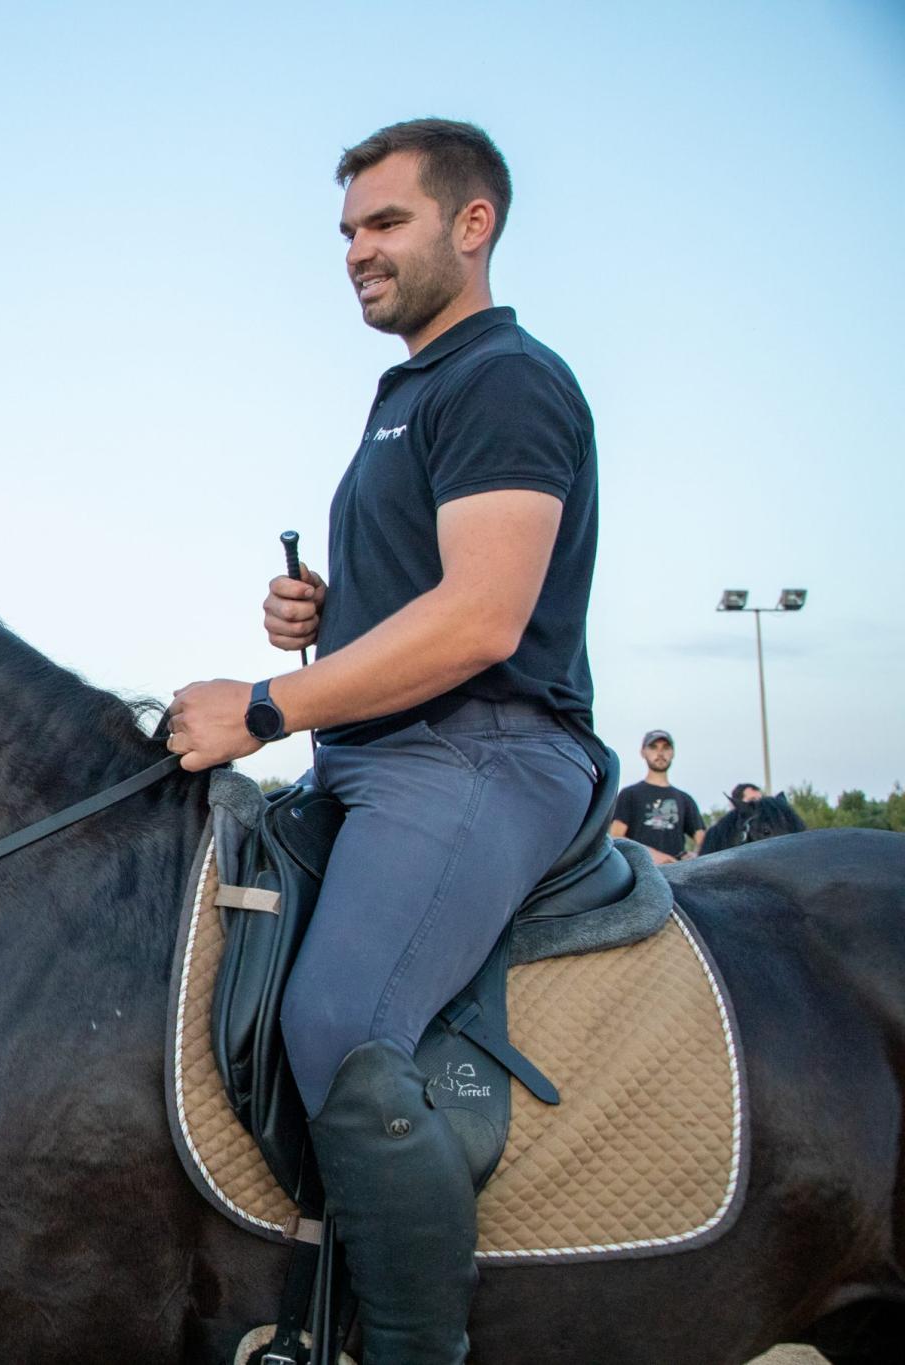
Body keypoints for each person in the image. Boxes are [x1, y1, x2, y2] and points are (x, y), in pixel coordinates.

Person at [165, 119, 601, 1362]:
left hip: (485, 751)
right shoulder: (406, 393)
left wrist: (261, 704)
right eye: (347, 231)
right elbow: (421, 594)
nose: (356, 251)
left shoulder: (502, 378)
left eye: (384, 223)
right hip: (377, 754)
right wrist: (318, 618)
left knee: (337, 1021)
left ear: (473, 227)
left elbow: (477, 619)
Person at [609, 730, 705, 864]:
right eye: (653, 747)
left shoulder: (684, 799)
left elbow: (702, 840)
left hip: (677, 874)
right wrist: (654, 855)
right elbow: (616, 836)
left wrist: (695, 855)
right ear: (643, 752)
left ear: (672, 753)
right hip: (640, 872)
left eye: (666, 747)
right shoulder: (629, 794)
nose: (660, 753)